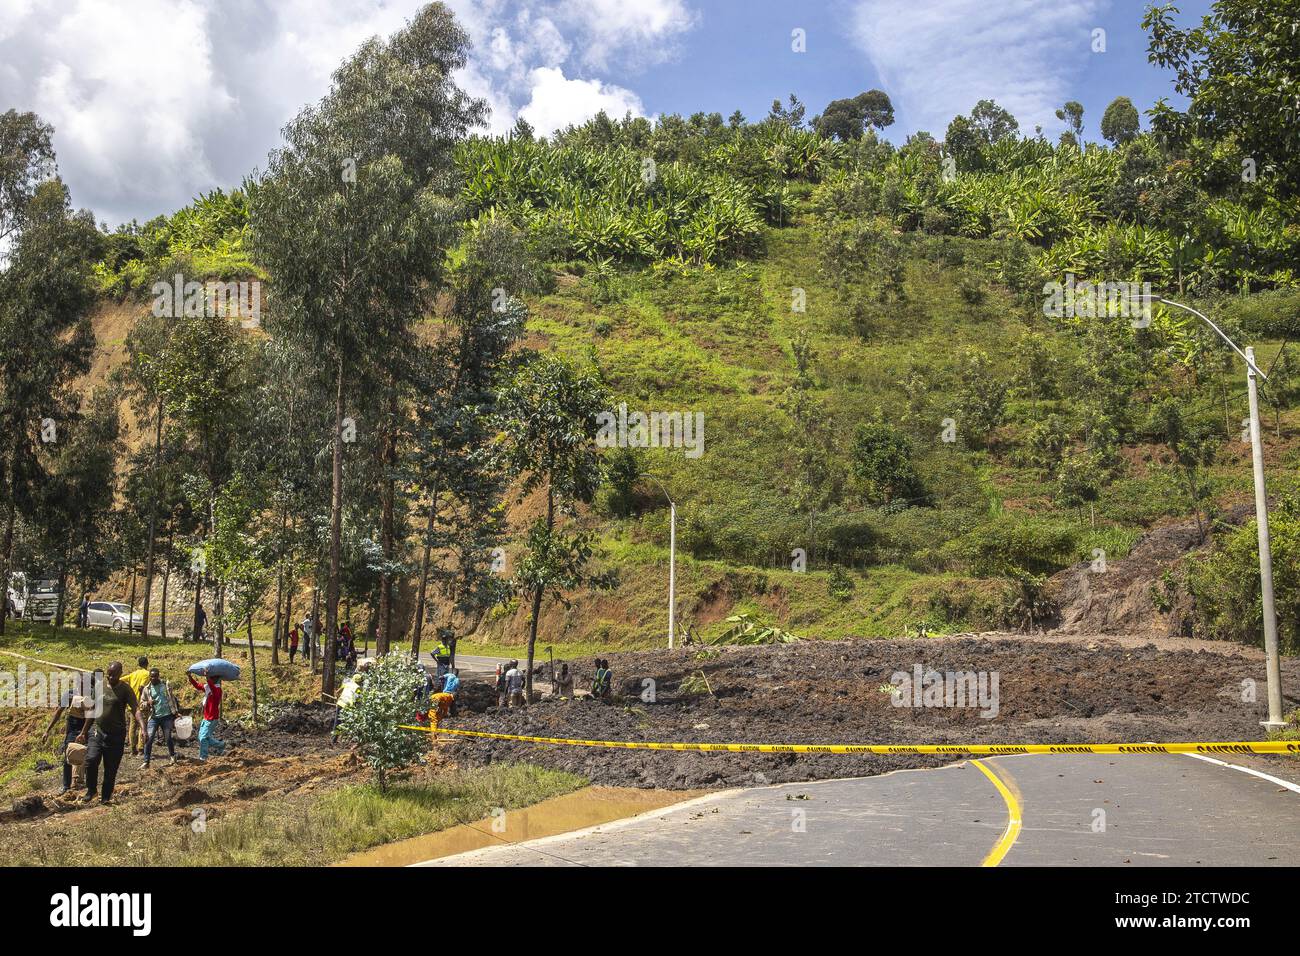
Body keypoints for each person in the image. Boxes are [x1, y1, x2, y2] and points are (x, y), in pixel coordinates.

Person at [78, 661, 145, 805]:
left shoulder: (125, 690)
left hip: (115, 735)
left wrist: (143, 728)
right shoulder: (99, 687)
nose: (110, 677)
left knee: (111, 768)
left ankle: (106, 797)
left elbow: (136, 709)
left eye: (113, 674)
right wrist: (83, 731)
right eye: (108, 673)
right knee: (91, 760)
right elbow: (92, 710)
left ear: (120, 673)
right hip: (97, 729)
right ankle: (91, 790)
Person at [43, 673, 92, 795]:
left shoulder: (90, 695)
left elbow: (91, 716)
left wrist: (84, 732)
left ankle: (86, 782)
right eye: (79, 682)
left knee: (87, 755)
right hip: (72, 726)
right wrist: (47, 730)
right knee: (68, 756)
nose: (81, 685)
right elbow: (58, 712)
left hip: (86, 726)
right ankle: (66, 785)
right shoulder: (69, 694)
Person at [140, 668, 178, 768]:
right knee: (149, 738)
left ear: (158, 676)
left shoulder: (165, 685)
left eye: (155, 676)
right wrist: (148, 703)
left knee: (168, 737)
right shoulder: (147, 689)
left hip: (167, 716)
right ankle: (146, 761)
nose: (153, 678)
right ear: (149, 677)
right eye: (151, 676)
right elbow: (142, 703)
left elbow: (172, 699)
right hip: (154, 717)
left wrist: (176, 712)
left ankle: (172, 757)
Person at [187, 669, 225, 761]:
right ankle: (221, 745)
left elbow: (212, 688)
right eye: (211, 677)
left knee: (204, 738)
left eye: (213, 677)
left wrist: (207, 677)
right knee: (202, 737)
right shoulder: (208, 687)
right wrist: (190, 677)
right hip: (206, 717)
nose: (212, 679)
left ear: (217, 679)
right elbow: (197, 686)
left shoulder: (218, 690)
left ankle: (203, 757)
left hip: (212, 718)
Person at [124, 657, 151, 756]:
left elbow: (120, 679)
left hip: (131, 704)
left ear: (138, 664)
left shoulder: (133, 674)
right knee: (142, 726)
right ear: (147, 664)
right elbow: (142, 687)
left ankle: (132, 749)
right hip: (142, 705)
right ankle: (140, 749)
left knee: (132, 726)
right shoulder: (147, 674)